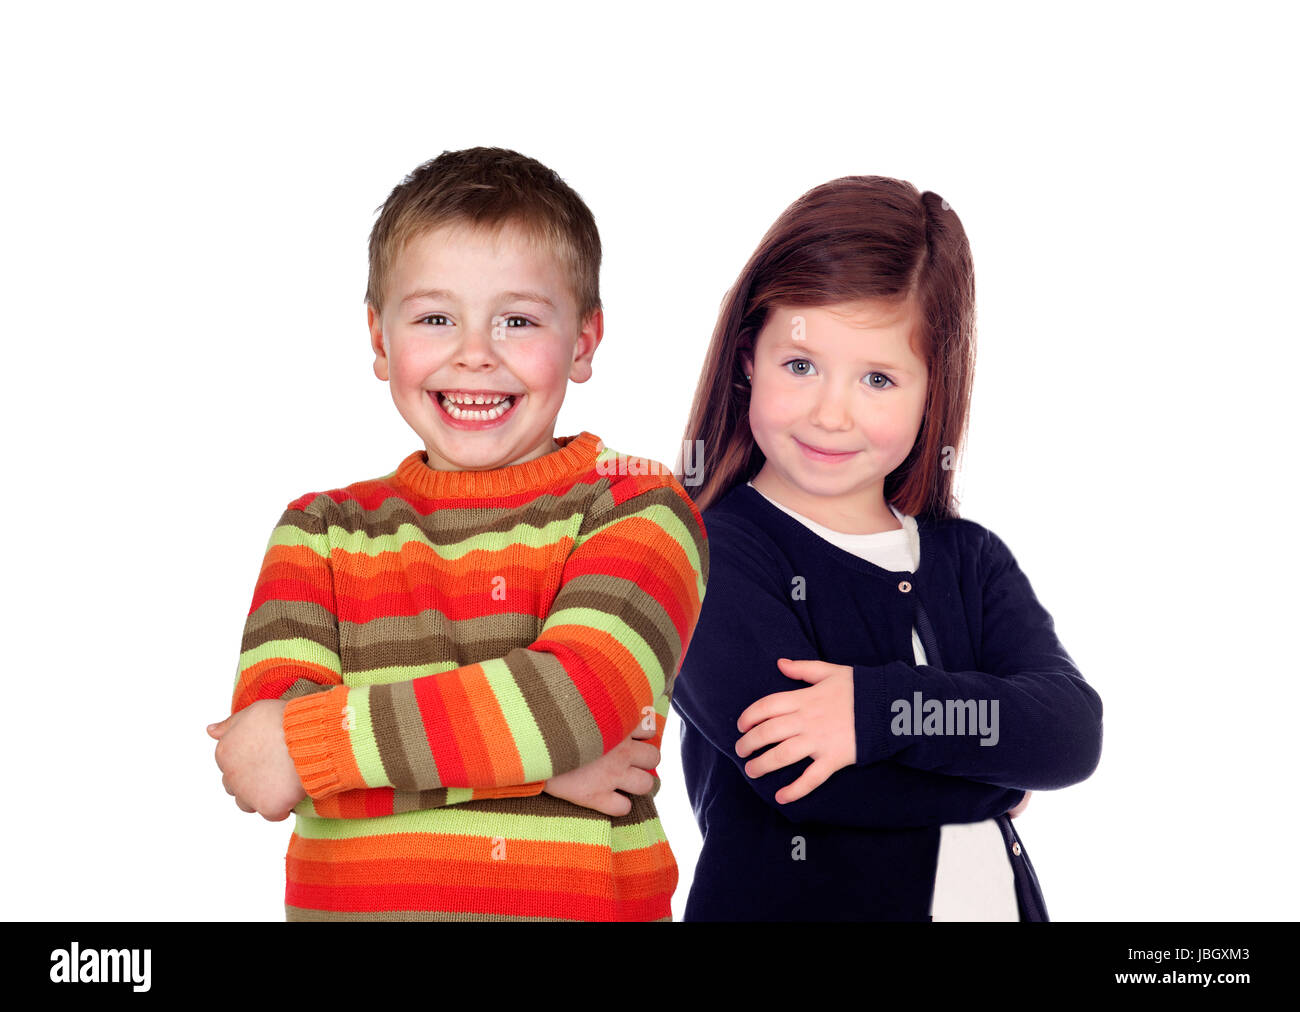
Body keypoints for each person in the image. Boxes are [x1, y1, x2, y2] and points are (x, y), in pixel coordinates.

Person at [207, 147, 708, 921]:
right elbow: (268, 768)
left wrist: (331, 752)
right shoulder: (320, 532)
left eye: (517, 319)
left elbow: (572, 703)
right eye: (436, 317)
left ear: (583, 341)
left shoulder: (636, 504)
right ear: (379, 339)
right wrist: (536, 771)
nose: (475, 352)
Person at [670, 175, 1102, 921]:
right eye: (800, 366)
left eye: (878, 378)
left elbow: (1068, 730)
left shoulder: (969, 560)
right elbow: (811, 777)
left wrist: (882, 712)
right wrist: (1006, 774)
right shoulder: (702, 555)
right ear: (747, 359)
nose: (831, 414)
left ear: (931, 391)